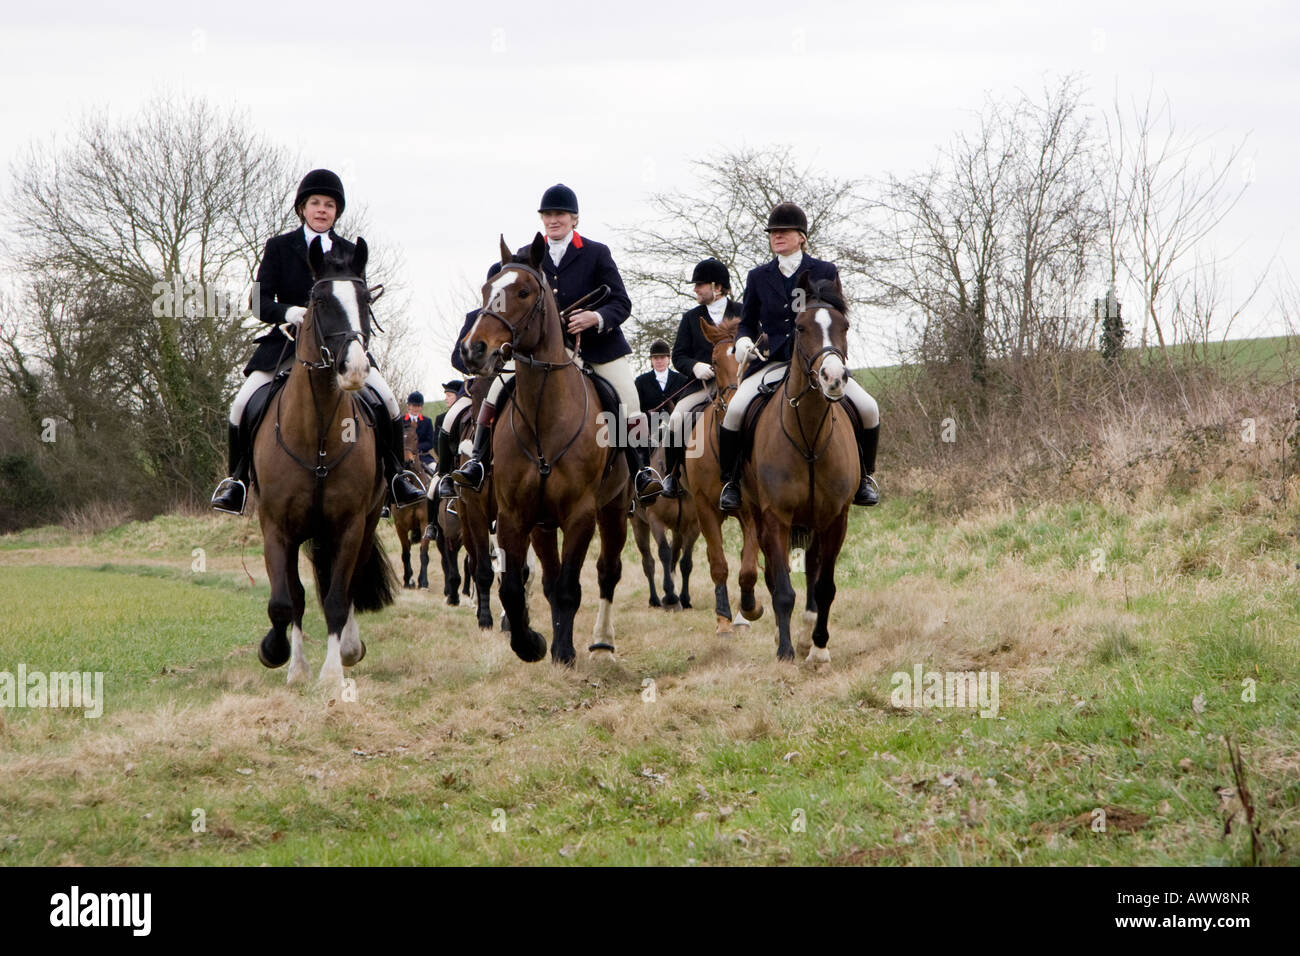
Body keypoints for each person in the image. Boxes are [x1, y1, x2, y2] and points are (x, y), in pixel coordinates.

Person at [210, 169, 425, 514]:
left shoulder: (351, 251)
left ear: (336, 212)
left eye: (329, 205)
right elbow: (258, 302)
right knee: (241, 403)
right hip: (286, 346)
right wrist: (289, 312)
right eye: (315, 203)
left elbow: (357, 305)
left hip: (341, 350)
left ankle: (397, 477)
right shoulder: (279, 247)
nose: (322, 210)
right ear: (302, 209)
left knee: (387, 401)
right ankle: (237, 481)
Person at [451, 184, 664, 503]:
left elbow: (622, 302)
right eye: (547, 214)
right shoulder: (525, 256)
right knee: (495, 391)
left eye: (560, 214)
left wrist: (595, 317)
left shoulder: (596, 253)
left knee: (628, 397)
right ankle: (478, 463)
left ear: (574, 219)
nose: (553, 219)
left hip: (596, 348)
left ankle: (641, 471)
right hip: (540, 349)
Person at [717, 202, 880, 511]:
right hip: (773, 362)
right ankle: (732, 482)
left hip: (819, 361)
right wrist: (743, 341)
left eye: (784, 232)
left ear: (801, 236)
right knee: (736, 410)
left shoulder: (824, 271)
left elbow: (837, 316)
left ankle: (864, 479)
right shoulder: (757, 276)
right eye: (773, 233)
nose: (777, 236)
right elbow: (748, 321)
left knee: (869, 408)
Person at [659, 258, 743, 498]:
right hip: (702, 385)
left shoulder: (742, 311)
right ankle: (672, 475)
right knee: (676, 419)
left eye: (700, 284)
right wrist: (695, 366)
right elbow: (678, 355)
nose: (695, 289)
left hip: (739, 382)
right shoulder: (690, 317)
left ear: (717, 287)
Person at [634, 339, 688, 425]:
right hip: (649, 430)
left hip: (677, 428)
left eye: (662, 357)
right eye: (655, 358)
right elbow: (636, 408)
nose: (659, 361)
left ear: (668, 359)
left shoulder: (682, 380)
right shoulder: (640, 381)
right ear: (651, 360)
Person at [404, 391, 436, 473]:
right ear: (408, 406)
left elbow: (430, 442)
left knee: (435, 469)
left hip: (423, 456)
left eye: (418, 406)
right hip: (405, 456)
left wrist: (416, 448)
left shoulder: (427, 421)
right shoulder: (401, 421)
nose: (416, 409)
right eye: (414, 406)